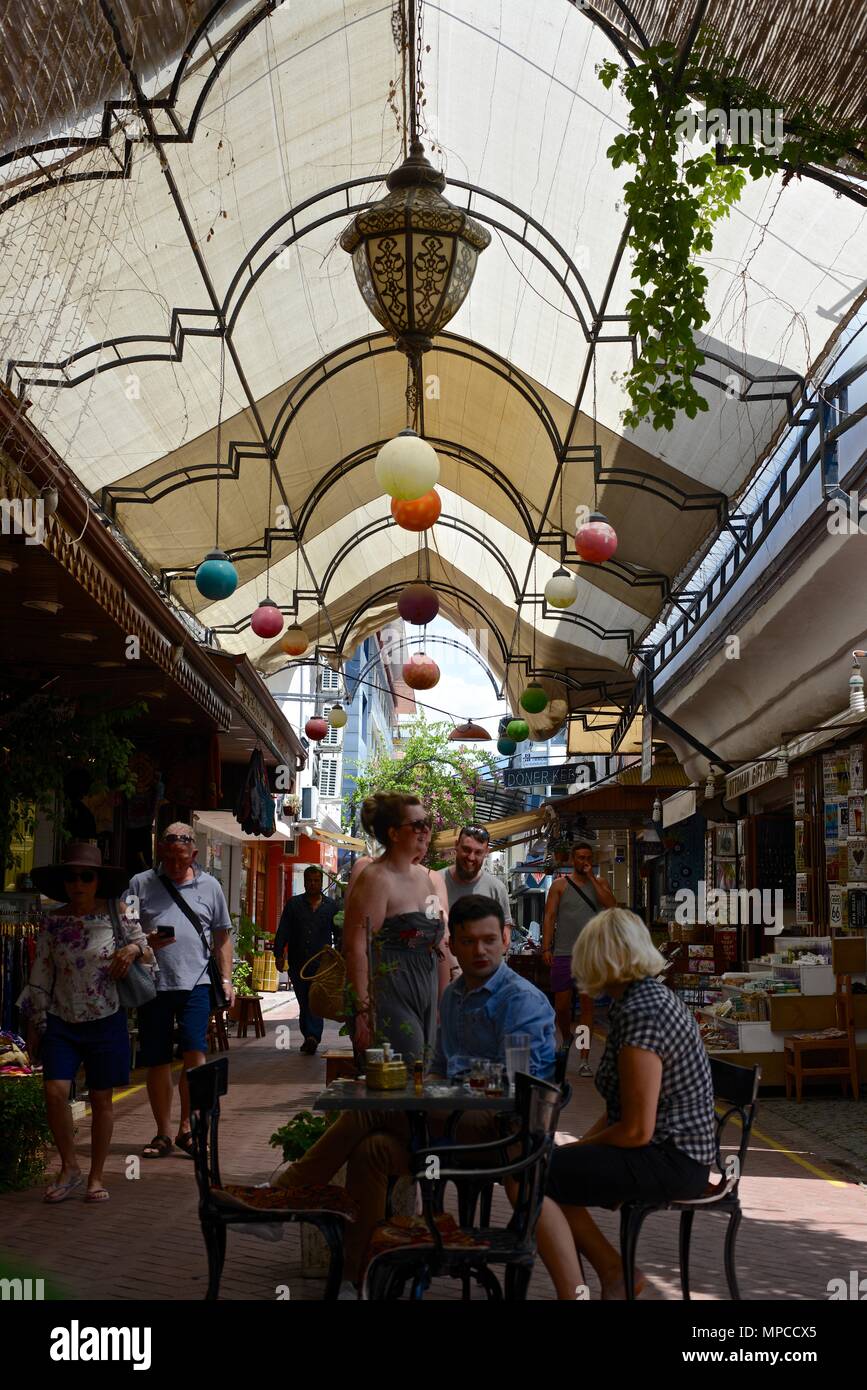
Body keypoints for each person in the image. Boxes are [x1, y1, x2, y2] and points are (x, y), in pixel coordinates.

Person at [272, 892, 555, 1295]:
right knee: (371, 1150)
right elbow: (439, 1069)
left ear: (506, 939)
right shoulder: (454, 997)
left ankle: (289, 1189)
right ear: (451, 945)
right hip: (450, 1127)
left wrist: (448, 1083)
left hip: (503, 1132)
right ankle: (361, 1277)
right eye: (469, 941)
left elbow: (516, 1086)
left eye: (490, 940)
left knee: (375, 1111)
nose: (480, 950)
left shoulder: (521, 1000)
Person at [537, 909, 717, 1300]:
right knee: (540, 1167)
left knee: (533, 1173)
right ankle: (610, 1272)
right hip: (668, 1153)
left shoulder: (642, 1010)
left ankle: (605, 1276)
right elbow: (623, 1109)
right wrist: (578, 1148)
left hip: (671, 1159)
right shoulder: (633, 1002)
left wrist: (576, 1151)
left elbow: (637, 1129)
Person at [17, 842, 153, 1203]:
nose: (78, 884)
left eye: (86, 877)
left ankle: (95, 1176)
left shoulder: (117, 912)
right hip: (62, 1019)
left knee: (101, 1098)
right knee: (54, 1091)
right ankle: (69, 1166)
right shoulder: (54, 921)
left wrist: (132, 949)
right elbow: (41, 971)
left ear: (98, 881)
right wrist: (35, 1018)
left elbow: (148, 950)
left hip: (106, 1018)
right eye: (71, 877)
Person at [128, 823, 234, 1159]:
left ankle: (188, 1127)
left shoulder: (211, 886)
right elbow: (125, 929)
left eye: (181, 858)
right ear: (161, 852)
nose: (175, 865)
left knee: (195, 1053)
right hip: (152, 983)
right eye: (169, 858)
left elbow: (222, 936)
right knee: (157, 1059)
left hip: (197, 982)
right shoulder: (139, 883)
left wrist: (228, 979)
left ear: (194, 855)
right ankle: (162, 1132)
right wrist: (145, 941)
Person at [343, 793, 450, 1064]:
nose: (425, 830)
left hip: (425, 992)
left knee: (420, 1078)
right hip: (391, 993)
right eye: (416, 825)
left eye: (426, 823)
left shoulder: (425, 880)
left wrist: (443, 998)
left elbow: (439, 942)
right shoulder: (376, 878)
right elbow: (356, 947)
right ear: (393, 833)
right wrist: (363, 1010)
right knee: (401, 1077)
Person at [542, 841, 615, 1074]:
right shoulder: (559, 886)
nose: (585, 861)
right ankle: (566, 1036)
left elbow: (612, 906)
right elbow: (550, 916)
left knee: (586, 1008)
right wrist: (546, 947)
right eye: (580, 857)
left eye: (588, 857)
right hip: (563, 953)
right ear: (572, 860)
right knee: (562, 1007)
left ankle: (583, 1057)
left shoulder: (599, 883)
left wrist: (593, 879)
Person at [273, 866, 339, 1055]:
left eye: (316, 881)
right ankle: (308, 1034)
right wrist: (279, 954)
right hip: (298, 962)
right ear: (304, 882)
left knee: (315, 998)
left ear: (321, 882)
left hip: (322, 965)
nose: (312, 884)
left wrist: (342, 955)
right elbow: (283, 930)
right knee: (303, 1000)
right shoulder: (294, 904)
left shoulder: (331, 907)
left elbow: (339, 933)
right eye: (309, 881)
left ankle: (313, 1036)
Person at [443, 826, 513, 930]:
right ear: (456, 845)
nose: (471, 857)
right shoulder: (435, 881)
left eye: (478, 852)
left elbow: (505, 930)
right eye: (466, 849)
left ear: (486, 852)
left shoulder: (497, 889)